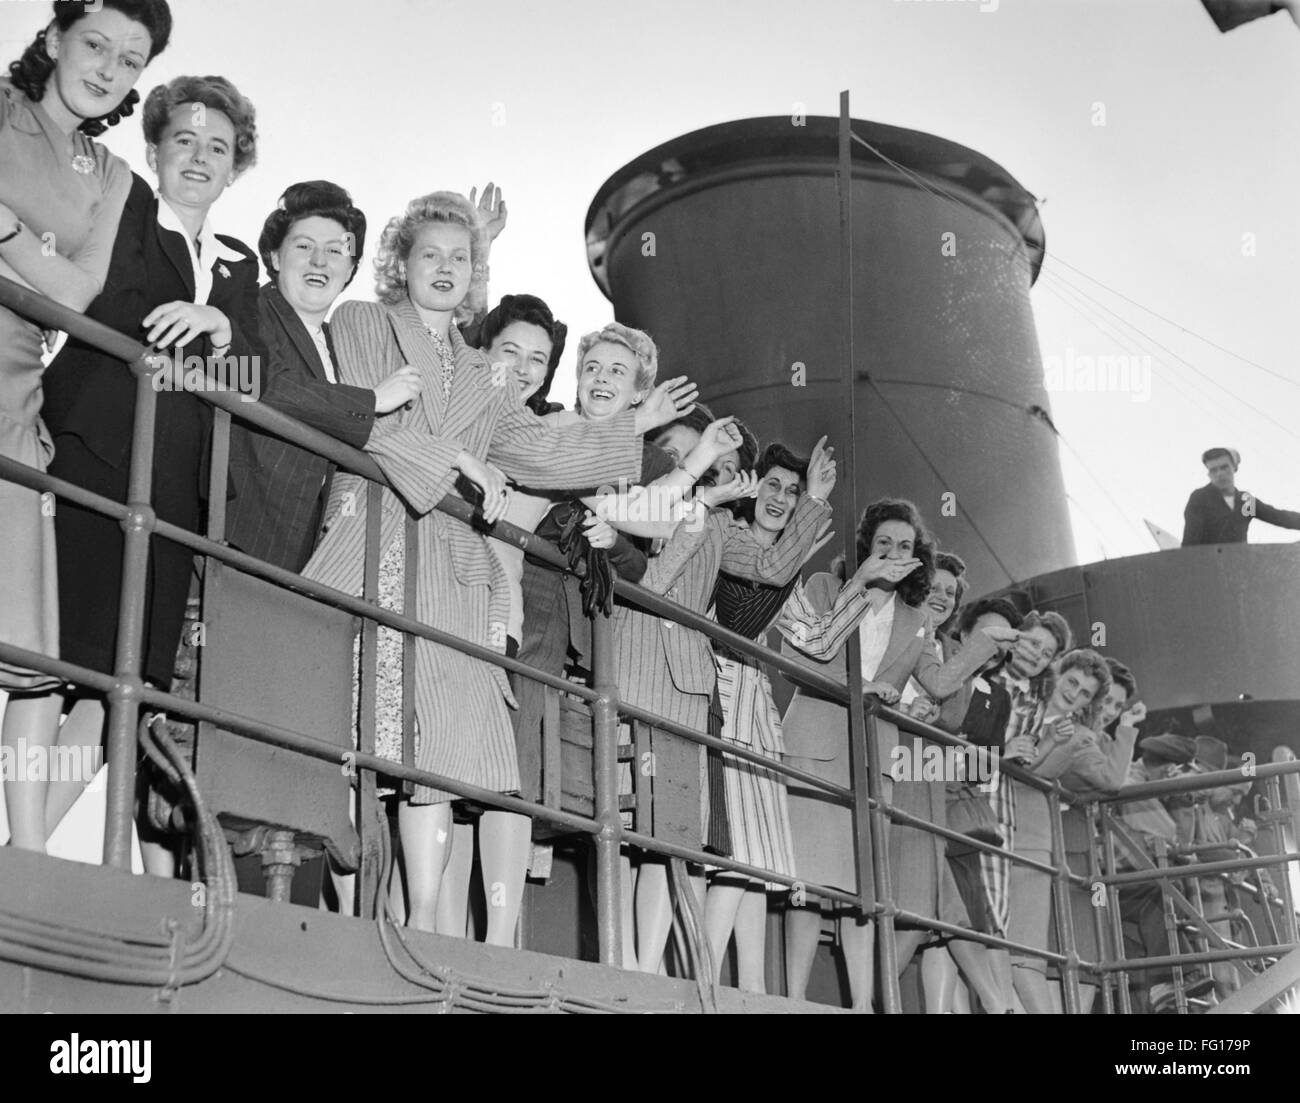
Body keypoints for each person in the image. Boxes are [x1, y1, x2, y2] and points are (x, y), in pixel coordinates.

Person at [301, 190, 691, 935]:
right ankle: (349, 926)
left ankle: (425, 928)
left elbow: (543, 450)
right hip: (375, 541)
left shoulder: (484, 373)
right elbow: (368, 429)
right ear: (400, 264)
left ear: (476, 273)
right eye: (431, 254)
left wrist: (637, 423)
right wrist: (459, 460)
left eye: (461, 257)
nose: (446, 268)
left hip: (455, 571)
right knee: (357, 744)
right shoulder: (362, 320)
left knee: (441, 764)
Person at [38, 72, 257, 861]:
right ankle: (25, 843)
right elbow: (109, 301)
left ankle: (28, 848)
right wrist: (201, 326)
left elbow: (257, 378)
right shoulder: (124, 207)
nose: (200, 157)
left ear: (237, 167)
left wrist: (222, 327)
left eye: (219, 148)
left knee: (124, 681)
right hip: (102, 458)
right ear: (156, 149)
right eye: (185, 140)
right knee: (67, 659)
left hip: (173, 496)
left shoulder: (238, 267)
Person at [0, 0, 172, 853]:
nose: (108, 68)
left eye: (131, 59)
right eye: (96, 44)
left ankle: (23, 860)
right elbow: (54, 278)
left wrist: (0, 232)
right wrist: (35, 252)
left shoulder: (112, 178)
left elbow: (75, 295)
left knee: (35, 659)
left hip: (16, 391)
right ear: (57, 37)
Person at [776, 498, 1018, 1011]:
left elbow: (937, 683)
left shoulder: (916, 619)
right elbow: (795, 660)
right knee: (811, 881)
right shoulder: (825, 587)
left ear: (917, 555)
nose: (893, 551)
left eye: (904, 545)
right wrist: (862, 686)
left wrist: (980, 647)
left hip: (873, 759)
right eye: (882, 541)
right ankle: (794, 1000)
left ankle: (862, 1005)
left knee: (864, 888)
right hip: (817, 743)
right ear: (865, 544)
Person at [616, 433, 835, 976]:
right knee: (664, 834)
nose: (781, 497)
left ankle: (706, 978)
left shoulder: (746, 545)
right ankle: (672, 970)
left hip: (726, 702)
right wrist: (805, 520)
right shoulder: (719, 527)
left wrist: (864, 584)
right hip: (692, 684)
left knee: (719, 848)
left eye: (792, 490)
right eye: (773, 485)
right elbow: (692, 589)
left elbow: (816, 636)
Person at [224, 180, 426, 571]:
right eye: (303, 246)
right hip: (241, 538)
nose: (319, 261)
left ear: (351, 268)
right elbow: (263, 383)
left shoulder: (339, 342)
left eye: (335, 251)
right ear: (275, 256)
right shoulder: (250, 307)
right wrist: (371, 400)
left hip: (311, 557)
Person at [1004, 647, 1121, 1014]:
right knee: (996, 955)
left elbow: (1109, 782)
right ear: (1058, 672)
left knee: (1024, 960)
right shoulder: (1018, 704)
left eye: (1084, 693)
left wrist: (1126, 730)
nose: (1073, 693)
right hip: (987, 826)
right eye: (1071, 682)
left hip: (1029, 838)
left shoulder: (1081, 736)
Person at [979, 608, 1072, 1003]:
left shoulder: (1034, 698)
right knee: (979, 916)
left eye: (1048, 652)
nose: (1038, 655)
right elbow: (956, 741)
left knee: (996, 918)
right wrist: (1000, 752)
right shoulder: (984, 679)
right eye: (1033, 643)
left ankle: (997, 1005)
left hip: (1005, 811)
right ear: (1017, 636)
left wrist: (1050, 739)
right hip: (974, 799)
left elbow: (1024, 761)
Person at [1048, 655, 1146, 1013]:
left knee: (1093, 950)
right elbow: (1112, 783)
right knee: (1069, 948)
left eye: (1118, 706)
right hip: (1065, 850)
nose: (1110, 711)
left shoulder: (1097, 739)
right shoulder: (1074, 733)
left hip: (1087, 855)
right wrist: (1128, 730)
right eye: (1106, 702)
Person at [1181, 447, 1300, 546]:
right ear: (1208, 474)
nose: (1220, 474)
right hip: (1208, 567)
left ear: (1234, 468)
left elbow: (1278, 517)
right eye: (1213, 470)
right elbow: (1190, 543)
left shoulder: (1245, 502)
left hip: (1239, 567)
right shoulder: (1200, 498)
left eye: (1224, 467)